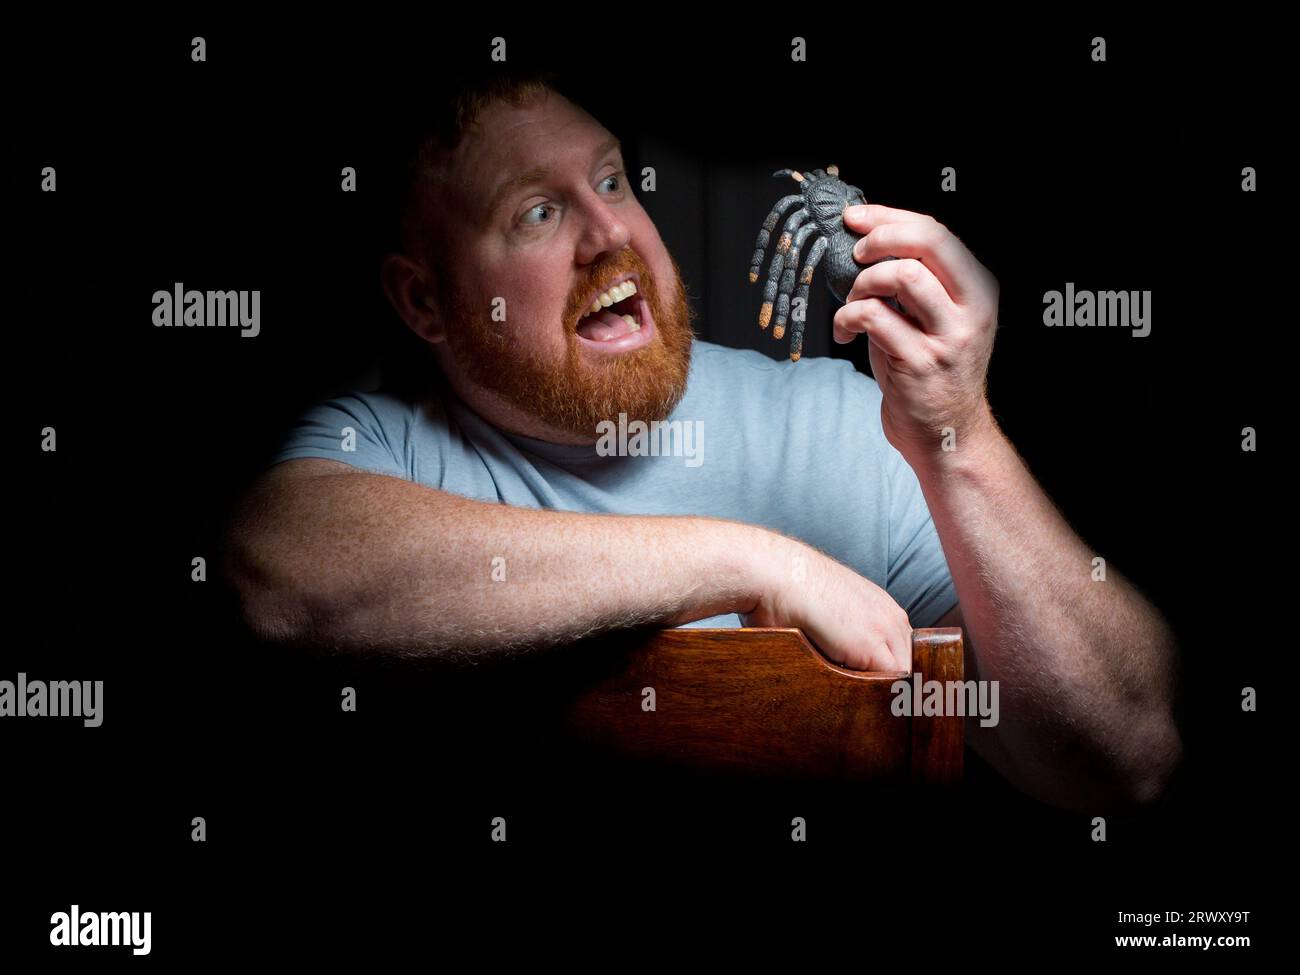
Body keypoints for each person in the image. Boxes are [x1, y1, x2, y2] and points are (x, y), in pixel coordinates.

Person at [221, 72, 1181, 812]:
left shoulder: (852, 430)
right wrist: (752, 562)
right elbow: (277, 572)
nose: (612, 234)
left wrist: (960, 438)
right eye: (538, 213)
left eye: (611, 179)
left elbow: (1122, 756)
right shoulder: (389, 442)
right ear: (423, 300)